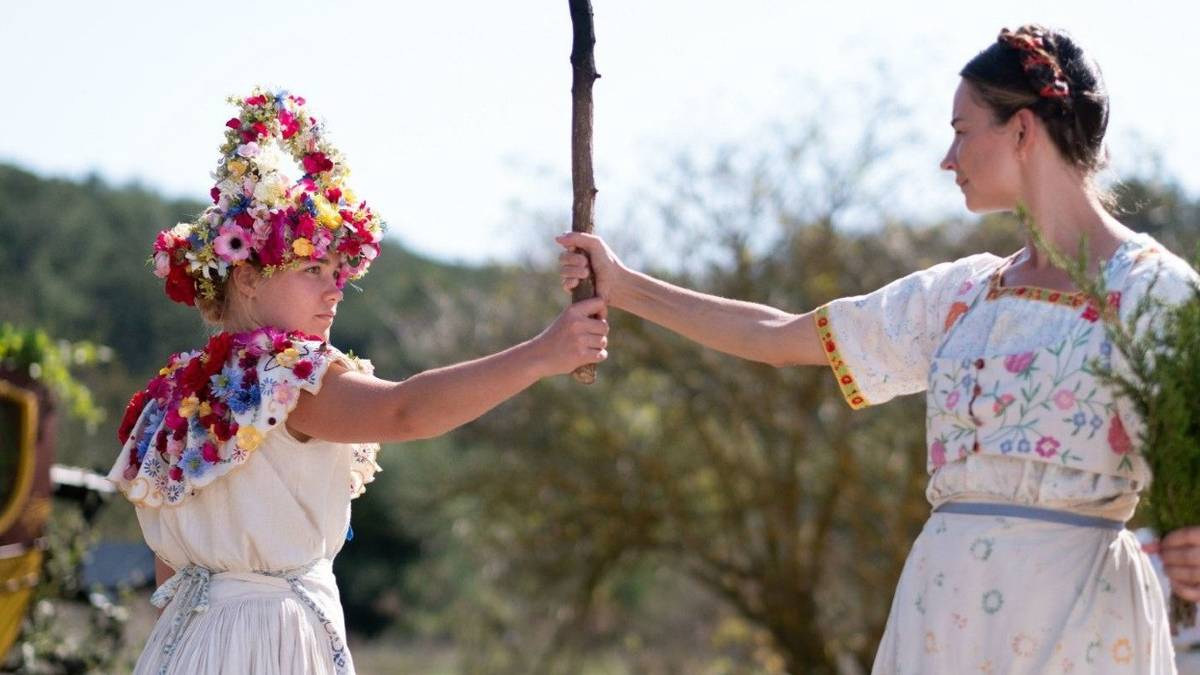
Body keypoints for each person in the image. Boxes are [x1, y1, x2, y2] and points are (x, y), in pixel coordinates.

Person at [559, 25, 1200, 673]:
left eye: (961, 130)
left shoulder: (1153, 291)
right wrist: (624, 286)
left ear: (1023, 130)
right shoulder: (962, 295)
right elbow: (778, 336)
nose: (948, 158)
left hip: (1078, 620)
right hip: (944, 618)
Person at [108, 87, 608, 675]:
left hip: (182, 645)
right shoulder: (284, 375)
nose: (335, 290)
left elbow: (168, 566)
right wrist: (543, 353)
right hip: (271, 642)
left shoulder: (177, 393)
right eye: (312, 269)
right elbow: (405, 411)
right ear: (246, 278)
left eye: (338, 272)